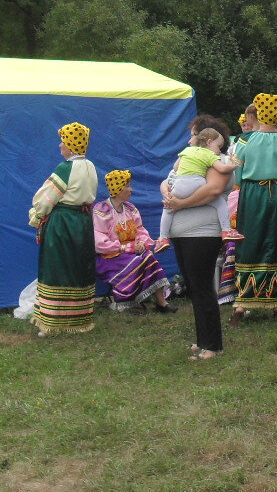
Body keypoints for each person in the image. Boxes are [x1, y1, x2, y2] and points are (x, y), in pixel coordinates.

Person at [161, 114, 234, 361]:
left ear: (206, 136)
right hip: (182, 233)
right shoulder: (192, 158)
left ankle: (213, 344)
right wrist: (167, 192)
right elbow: (167, 180)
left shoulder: (218, 160)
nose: (190, 138)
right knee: (195, 286)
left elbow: (212, 190)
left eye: (193, 133)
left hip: (202, 232)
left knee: (202, 288)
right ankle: (203, 339)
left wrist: (179, 204)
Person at [227, 93, 277, 323]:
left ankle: (244, 301)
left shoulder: (246, 140)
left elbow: (237, 172)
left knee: (251, 241)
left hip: (253, 194)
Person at [29, 121, 99, 336]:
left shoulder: (66, 168)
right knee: (77, 267)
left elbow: (46, 197)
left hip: (64, 222)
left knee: (58, 268)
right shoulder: (91, 166)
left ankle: (53, 321)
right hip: (83, 222)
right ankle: (78, 318)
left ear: (70, 144)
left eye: (63, 141)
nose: (60, 145)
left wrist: (36, 215)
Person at [93, 169, 176, 314]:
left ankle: (160, 302)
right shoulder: (102, 210)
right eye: (127, 186)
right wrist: (127, 247)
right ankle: (129, 302)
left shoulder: (130, 209)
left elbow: (141, 231)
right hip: (109, 259)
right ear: (117, 189)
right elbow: (100, 243)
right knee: (143, 260)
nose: (131, 190)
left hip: (130, 255)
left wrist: (142, 244)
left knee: (147, 256)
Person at [159, 127, 237, 246]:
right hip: (197, 184)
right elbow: (222, 168)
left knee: (167, 209)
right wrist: (233, 165)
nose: (218, 150)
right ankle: (226, 230)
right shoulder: (210, 155)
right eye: (218, 146)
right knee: (220, 203)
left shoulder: (187, 151)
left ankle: (163, 238)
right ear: (209, 142)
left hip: (180, 185)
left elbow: (175, 167)